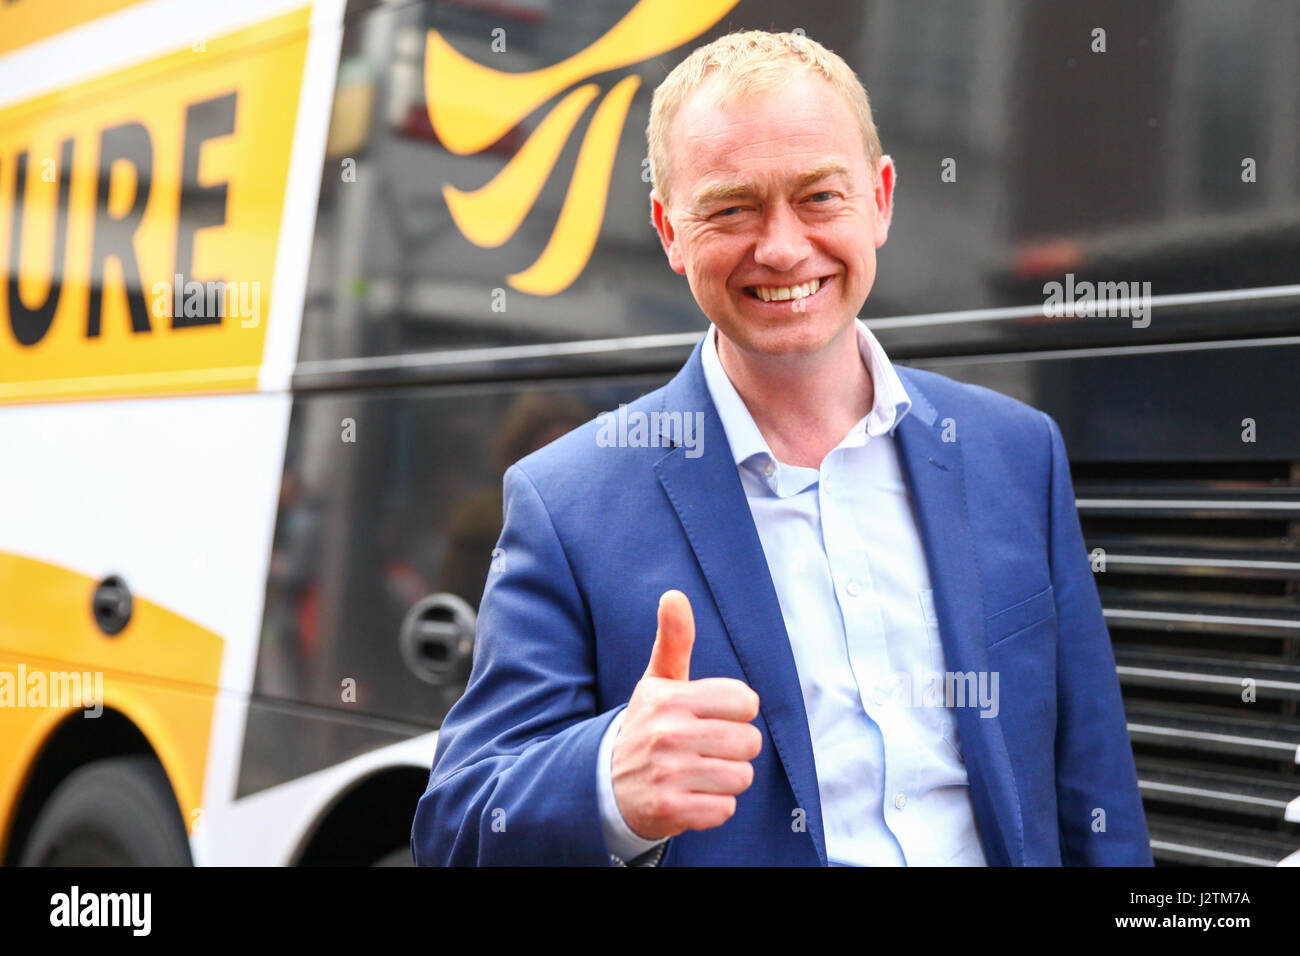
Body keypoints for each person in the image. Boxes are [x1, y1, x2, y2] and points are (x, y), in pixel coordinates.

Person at [411, 30, 1152, 866]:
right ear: (669, 231)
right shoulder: (566, 503)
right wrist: (608, 783)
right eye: (731, 208)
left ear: (880, 199)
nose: (782, 247)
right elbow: (458, 825)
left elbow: (1096, 797)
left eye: (819, 197)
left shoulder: (1017, 453)